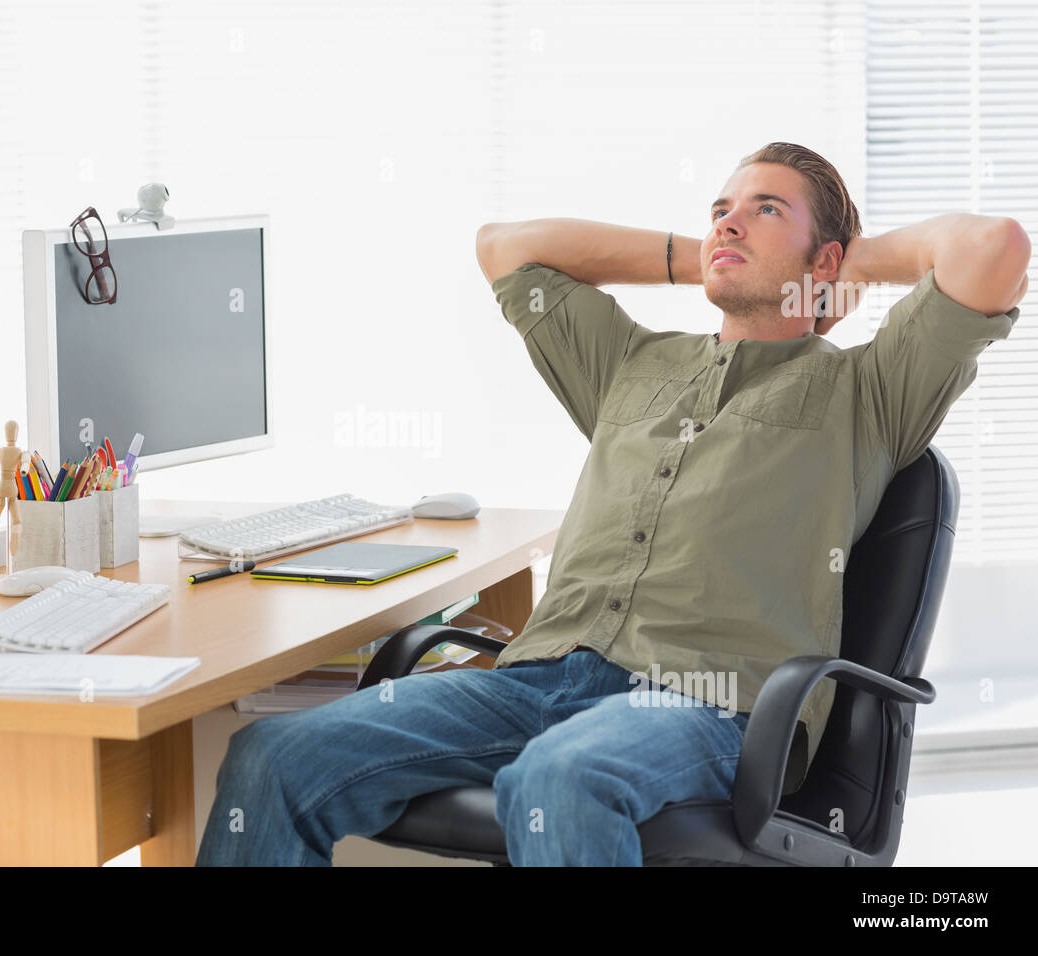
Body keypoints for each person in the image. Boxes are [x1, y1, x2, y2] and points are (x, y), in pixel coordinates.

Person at [196, 142, 1028, 866]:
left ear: (825, 260)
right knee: (271, 757)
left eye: (764, 210)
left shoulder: (869, 392)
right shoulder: (630, 362)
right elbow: (506, 247)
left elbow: (994, 246)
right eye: (719, 211)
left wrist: (840, 268)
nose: (728, 224)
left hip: (705, 703)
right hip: (534, 679)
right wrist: (704, 256)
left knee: (561, 779)